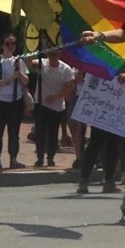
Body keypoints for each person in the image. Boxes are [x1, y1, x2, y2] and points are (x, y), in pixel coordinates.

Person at [0, 27, 29, 170]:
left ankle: (13, 158)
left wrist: (19, 74)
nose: (11, 46)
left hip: (15, 102)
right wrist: (11, 78)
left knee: (14, 132)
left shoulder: (18, 61)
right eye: (7, 43)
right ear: (2, 45)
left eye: (13, 43)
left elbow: (26, 80)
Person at [29, 38, 73, 168]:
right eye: (50, 54)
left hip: (56, 105)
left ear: (60, 54)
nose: (52, 57)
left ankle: (51, 157)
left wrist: (55, 97)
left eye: (55, 54)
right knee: (40, 131)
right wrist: (32, 46)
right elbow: (29, 62)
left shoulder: (66, 69)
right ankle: (40, 157)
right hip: (41, 103)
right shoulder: (42, 63)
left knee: (53, 132)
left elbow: (68, 87)